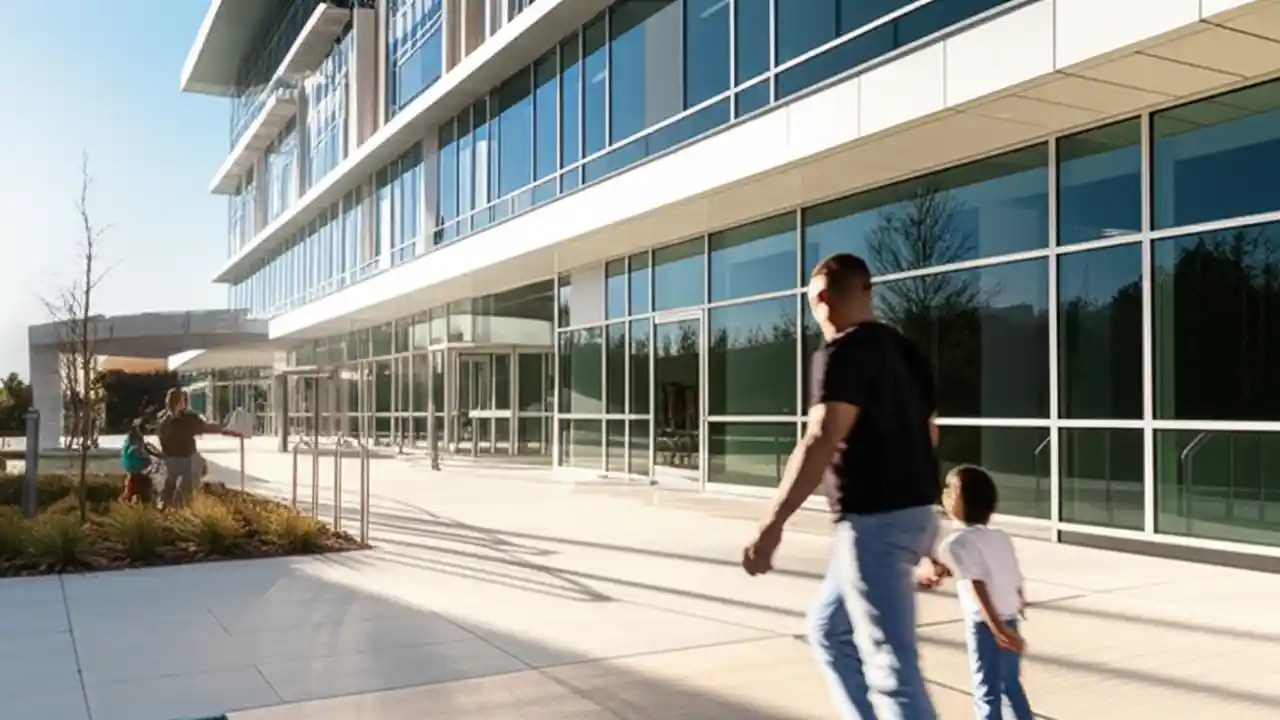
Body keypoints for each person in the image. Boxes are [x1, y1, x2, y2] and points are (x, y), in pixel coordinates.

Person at [742, 252, 941, 720]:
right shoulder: (906, 351)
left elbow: (822, 437)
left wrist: (772, 523)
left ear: (825, 301)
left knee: (892, 670)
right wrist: (928, 535)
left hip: (874, 525)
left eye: (815, 302)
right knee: (829, 631)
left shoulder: (842, 353)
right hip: (909, 517)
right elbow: (928, 435)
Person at [919, 466, 1032, 720]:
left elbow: (976, 582)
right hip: (1010, 617)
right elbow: (1008, 573)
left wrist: (996, 627)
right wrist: (1016, 606)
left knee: (986, 690)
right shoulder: (1000, 537)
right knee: (1009, 685)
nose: (945, 494)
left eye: (950, 490)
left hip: (985, 623)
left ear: (959, 503)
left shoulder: (955, 543)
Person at [156, 389, 242, 508]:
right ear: (181, 402)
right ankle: (180, 507)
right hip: (187, 459)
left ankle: (165, 506)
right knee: (189, 483)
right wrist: (226, 430)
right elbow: (206, 428)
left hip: (169, 460)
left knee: (169, 486)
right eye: (183, 400)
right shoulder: (187, 418)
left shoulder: (162, 420)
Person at [120, 420, 160, 505]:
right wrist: (146, 458)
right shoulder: (135, 439)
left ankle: (132, 501)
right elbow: (136, 450)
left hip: (134, 468)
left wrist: (155, 455)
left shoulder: (134, 437)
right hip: (135, 468)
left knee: (136, 488)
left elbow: (144, 448)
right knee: (139, 488)